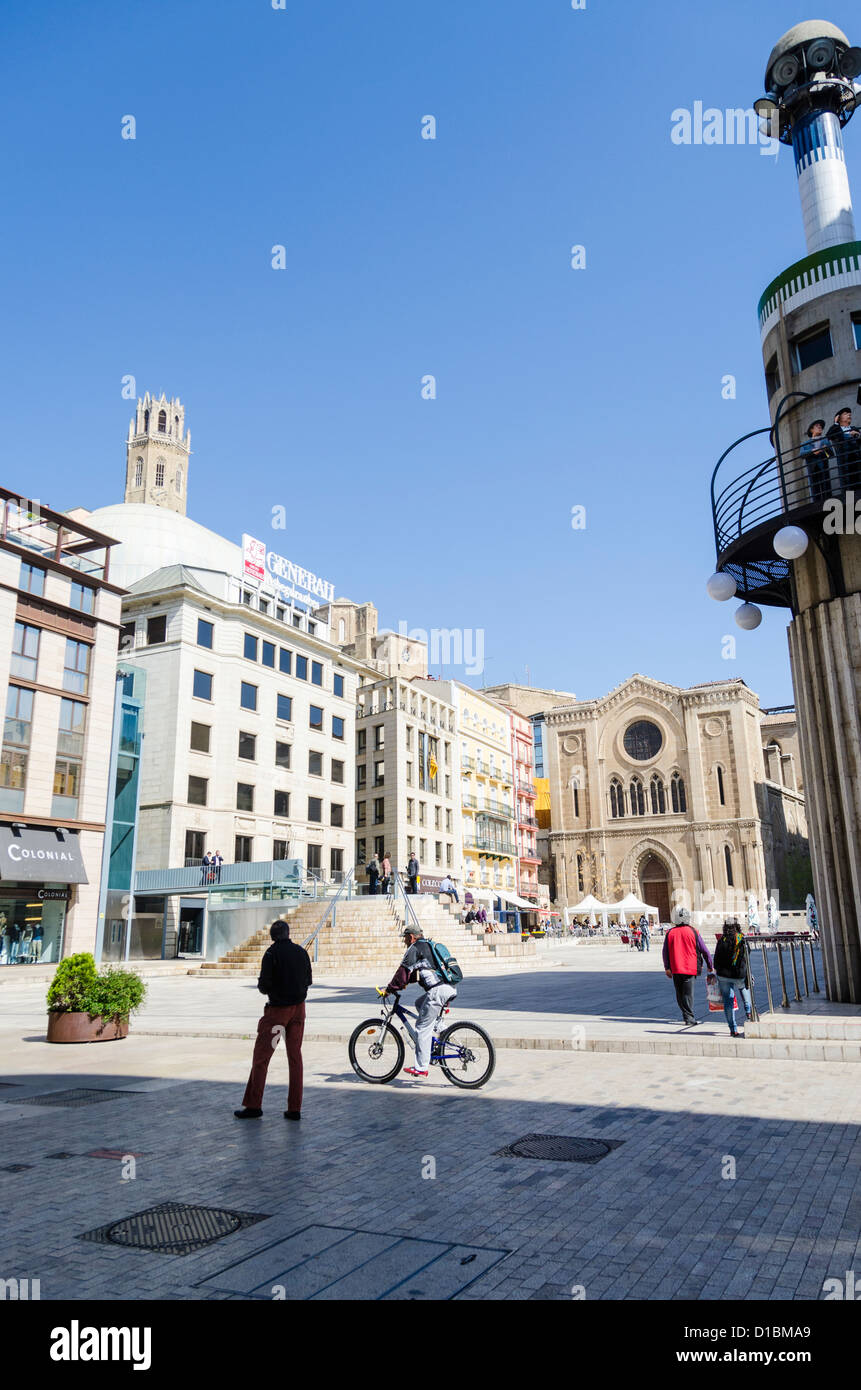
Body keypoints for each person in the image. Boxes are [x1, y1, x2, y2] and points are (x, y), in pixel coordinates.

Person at [235, 919, 312, 1121]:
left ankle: (254, 1105)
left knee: (262, 1057)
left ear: (272, 936)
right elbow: (308, 981)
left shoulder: (271, 954)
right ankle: (294, 1108)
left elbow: (263, 986)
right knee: (295, 1058)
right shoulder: (301, 952)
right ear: (288, 934)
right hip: (299, 1011)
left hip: (278, 1013)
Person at [381, 925, 456, 1079]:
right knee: (418, 1004)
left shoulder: (414, 948)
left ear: (412, 937)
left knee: (422, 1027)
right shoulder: (428, 945)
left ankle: (421, 1068)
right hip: (448, 988)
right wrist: (404, 983)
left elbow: (402, 972)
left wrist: (390, 989)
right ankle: (442, 1031)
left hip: (437, 992)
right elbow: (419, 972)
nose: (404, 941)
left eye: (405, 938)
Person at [662, 909, 715, 1028]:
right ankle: (689, 1017)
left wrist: (667, 967)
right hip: (690, 968)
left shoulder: (670, 933)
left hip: (675, 968)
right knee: (687, 994)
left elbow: (665, 952)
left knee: (680, 993)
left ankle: (686, 1015)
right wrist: (710, 965)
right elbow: (705, 951)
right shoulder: (693, 931)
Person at [713, 919, 752, 1038]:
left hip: (724, 975)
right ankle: (749, 1012)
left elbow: (716, 960)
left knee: (728, 1002)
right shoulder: (741, 938)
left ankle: (733, 1029)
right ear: (737, 926)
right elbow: (747, 954)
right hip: (738, 974)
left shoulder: (721, 940)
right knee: (744, 989)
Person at [800, 419, 835, 503]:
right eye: (817, 426)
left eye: (821, 427)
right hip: (813, 468)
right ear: (811, 430)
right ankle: (816, 504)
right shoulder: (806, 443)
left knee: (826, 486)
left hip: (823, 466)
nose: (820, 427)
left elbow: (831, 454)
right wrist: (812, 451)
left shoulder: (825, 440)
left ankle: (828, 502)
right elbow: (801, 454)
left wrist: (826, 449)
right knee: (815, 488)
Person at [827, 407, 861, 490]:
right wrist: (835, 423)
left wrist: (858, 435)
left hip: (857, 460)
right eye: (845, 414)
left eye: (849, 414)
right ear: (839, 418)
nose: (849, 415)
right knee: (848, 485)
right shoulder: (837, 430)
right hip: (844, 461)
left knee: (859, 482)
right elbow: (828, 436)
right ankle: (850, 502)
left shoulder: (854, 428)